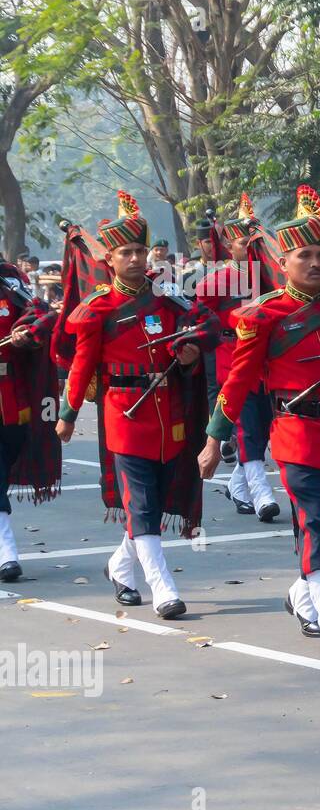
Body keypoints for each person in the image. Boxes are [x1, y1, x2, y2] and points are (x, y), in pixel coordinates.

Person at [199, 185, 320, 657]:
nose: (314, 263)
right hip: (296, 436)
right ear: (282, 261)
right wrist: (212, 441)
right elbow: (238, 382)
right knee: (319, 522)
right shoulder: (264, 316)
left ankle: (300, 595)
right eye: (303, 255)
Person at [56, 190, 216, 619]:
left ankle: (119, 567)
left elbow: (199, 339)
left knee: (156, 502)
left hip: (168, 413)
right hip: (123, 411)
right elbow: (82, 363)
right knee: (141, 503)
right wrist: (68, 414)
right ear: (109, 258)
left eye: (140, 250)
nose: (134, 258)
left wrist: (190, 356)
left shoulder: (169, 301)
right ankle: (164, 589)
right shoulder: (97, 308)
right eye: (125, 251)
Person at [195, 193, 280, 522]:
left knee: (264, 428)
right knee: (246, 428)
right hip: (233, 359)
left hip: (269, 364)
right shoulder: (214, 281)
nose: (252, 248)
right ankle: (260, 493)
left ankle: (238, 486)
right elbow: (202, 322)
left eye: (256, 242)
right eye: (246, 242)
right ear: (231, 244)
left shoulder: (270, 278)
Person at [0, 264, 60, 580]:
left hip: (12, 400)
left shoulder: (10, 283)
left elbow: (44, 314)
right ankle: (7, 552)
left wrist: (28, 332)